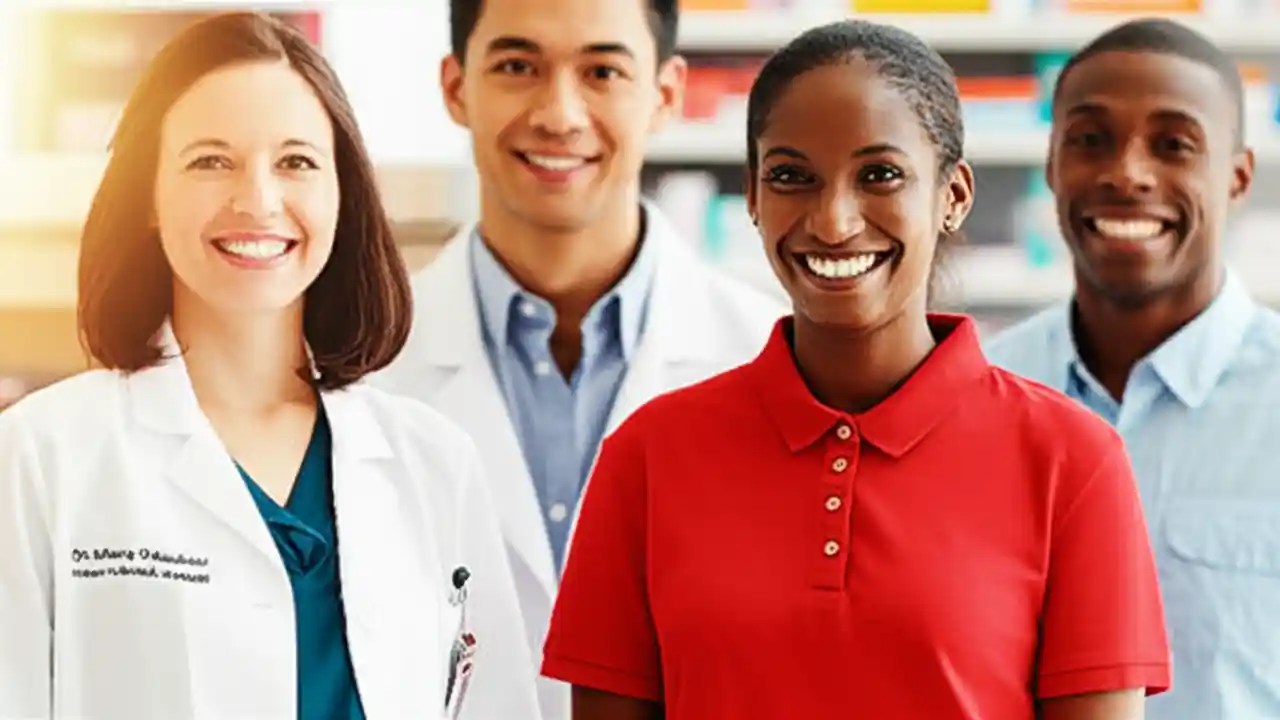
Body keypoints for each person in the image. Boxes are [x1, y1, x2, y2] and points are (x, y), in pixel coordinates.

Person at [541, 19, 1173, 720]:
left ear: (953, 196)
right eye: (791, 177)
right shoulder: (647, 457)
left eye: (880, 176)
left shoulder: (1073, 462)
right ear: (752, 196)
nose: (834, 220)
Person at [0, 12, 534, 720]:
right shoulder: (41, 456)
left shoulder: (433, 463)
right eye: (210, 160)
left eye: (296, 162)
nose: (257, 200)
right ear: (148, 196)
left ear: (341, 194)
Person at [371, 2, 783, 717]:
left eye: (602, 70)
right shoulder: (360, 366)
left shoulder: (775, 358)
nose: (559, 114)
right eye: (517, 66)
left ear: (664, 93)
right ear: (455, 87)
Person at [985, 18, 1279, 720]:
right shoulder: (979, 394)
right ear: (1052, 165)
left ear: (1236, 176)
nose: (1127, 173)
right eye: (1090, 140)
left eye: (1174, 145)